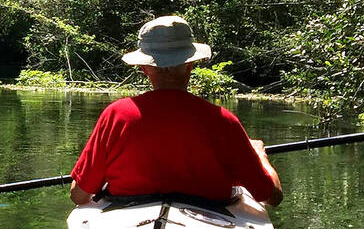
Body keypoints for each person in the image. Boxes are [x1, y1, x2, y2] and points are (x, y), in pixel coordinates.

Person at [68, 15, 283, 208]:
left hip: (127, 213)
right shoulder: (225, 121)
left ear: (144, 68)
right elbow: (272, 197)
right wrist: (260, 156)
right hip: (210, 218)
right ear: (190, 64)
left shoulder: (116, 115)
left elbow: (79, 196)